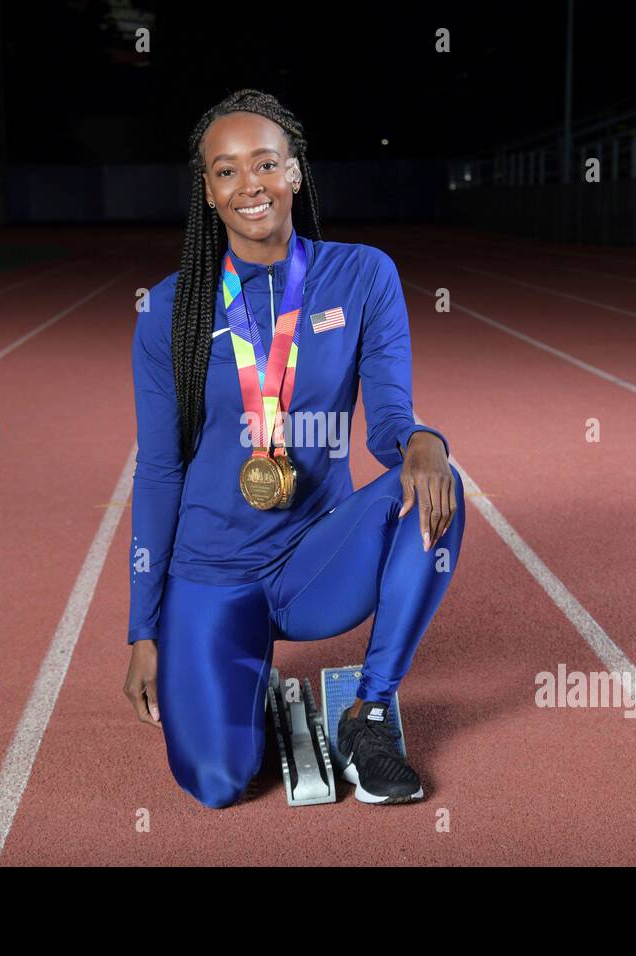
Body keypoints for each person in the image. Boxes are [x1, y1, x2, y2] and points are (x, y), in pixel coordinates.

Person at [123, 88, 465, 809]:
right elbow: (158, 470)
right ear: (208, 191)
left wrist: (423, 443)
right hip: (212, 571)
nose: (249, 184)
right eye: (226, 170)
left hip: (315, 560)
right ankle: (250, 694)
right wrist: (143, 632)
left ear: (295, 174)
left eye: (265, 163)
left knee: (437, 485)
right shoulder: (167, 311)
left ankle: (367, 714)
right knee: (217, 783)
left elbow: (389, 419)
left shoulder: (362, 274)